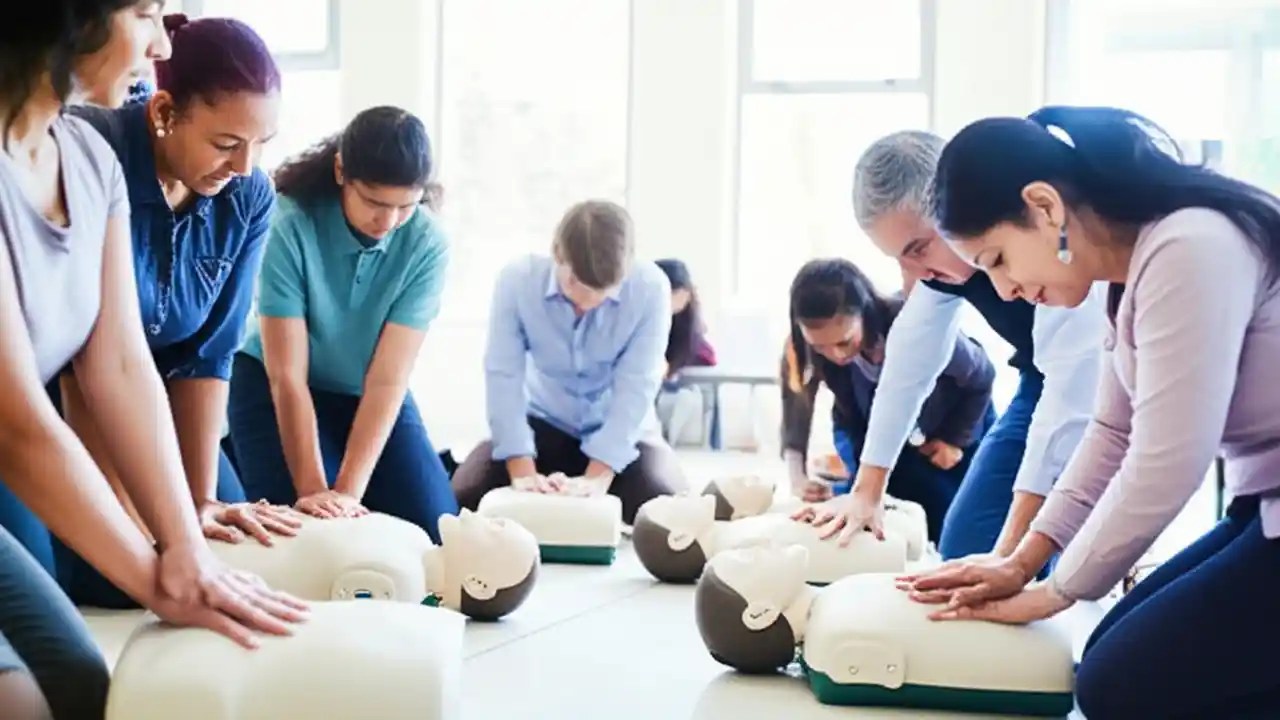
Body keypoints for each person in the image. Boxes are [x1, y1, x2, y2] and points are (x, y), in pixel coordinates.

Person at [896, 106, 1280, 719]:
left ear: (1045, 207)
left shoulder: (1190, 246)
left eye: (997, 260)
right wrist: (1021, 560)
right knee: (1107, 658)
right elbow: (1110, 432)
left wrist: (1056, 590)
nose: (1004, 290)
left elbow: (1166, 461)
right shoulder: (1127, 275)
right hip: (1261, 505)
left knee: (1119, 686)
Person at [0, 3, 305, 718]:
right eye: (142, 12)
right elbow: (19, 417)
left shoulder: (87, 160)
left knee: (79, 683)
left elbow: (119, 366)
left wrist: (186, 541)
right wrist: (153, 573)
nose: (163, 41)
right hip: (21, 434)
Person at [794, 130, 1107, 562]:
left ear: (954, 205)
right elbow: (907, 366)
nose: (913, 273)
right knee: (964, 549)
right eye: (900, 259)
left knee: (1056, 546)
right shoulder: (939, 272)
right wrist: (866, 492)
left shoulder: (1046, 250)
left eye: (919, 248)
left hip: (1109, 384)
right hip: (1040, 382)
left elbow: (1072, 395)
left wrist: (1011, 558)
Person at [226, 106, 458, 543]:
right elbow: (286, 377)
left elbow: (388, 382)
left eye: (405, 206)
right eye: (374, 202)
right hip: (275, 383)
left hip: (366, 389)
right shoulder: (288, 222)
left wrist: (347, 497)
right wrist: (315, 491)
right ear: (340, 172)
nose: (387, 222)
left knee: (435, 530)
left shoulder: (428, 242)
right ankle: (237, 451)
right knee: (303, 531)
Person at [452, 200, 687, 523]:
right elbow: (503, 376)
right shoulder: (517, 280)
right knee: (464, 495)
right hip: (544, 422)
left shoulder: (651, 288)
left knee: (669, 511)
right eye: (575, 282)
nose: (587, 300)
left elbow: (637, 385)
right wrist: (521, 471)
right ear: (556, 253)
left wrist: (597, 477)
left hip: (624, 435)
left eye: (603, 290)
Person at [783, 259, 996, 544]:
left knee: (955, 523)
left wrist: (955, 439)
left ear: (864, 313)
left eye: (844, 342)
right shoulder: (803, 348)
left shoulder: (914, 324)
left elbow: (981, 375)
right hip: (881, 433)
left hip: (959, 421)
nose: (835, 354)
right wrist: (798, 477)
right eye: (819, 346)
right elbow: (797, 409)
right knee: (870, 514)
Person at [653, 258, 716, 445]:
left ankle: (667, 442)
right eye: (673, 293)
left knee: (685, 400)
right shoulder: (649, 314)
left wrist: (671, 369)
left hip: (685, 379)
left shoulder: (690, 320)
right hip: (659, 378)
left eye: (682, 292)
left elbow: (698, 352)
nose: (679, 298)